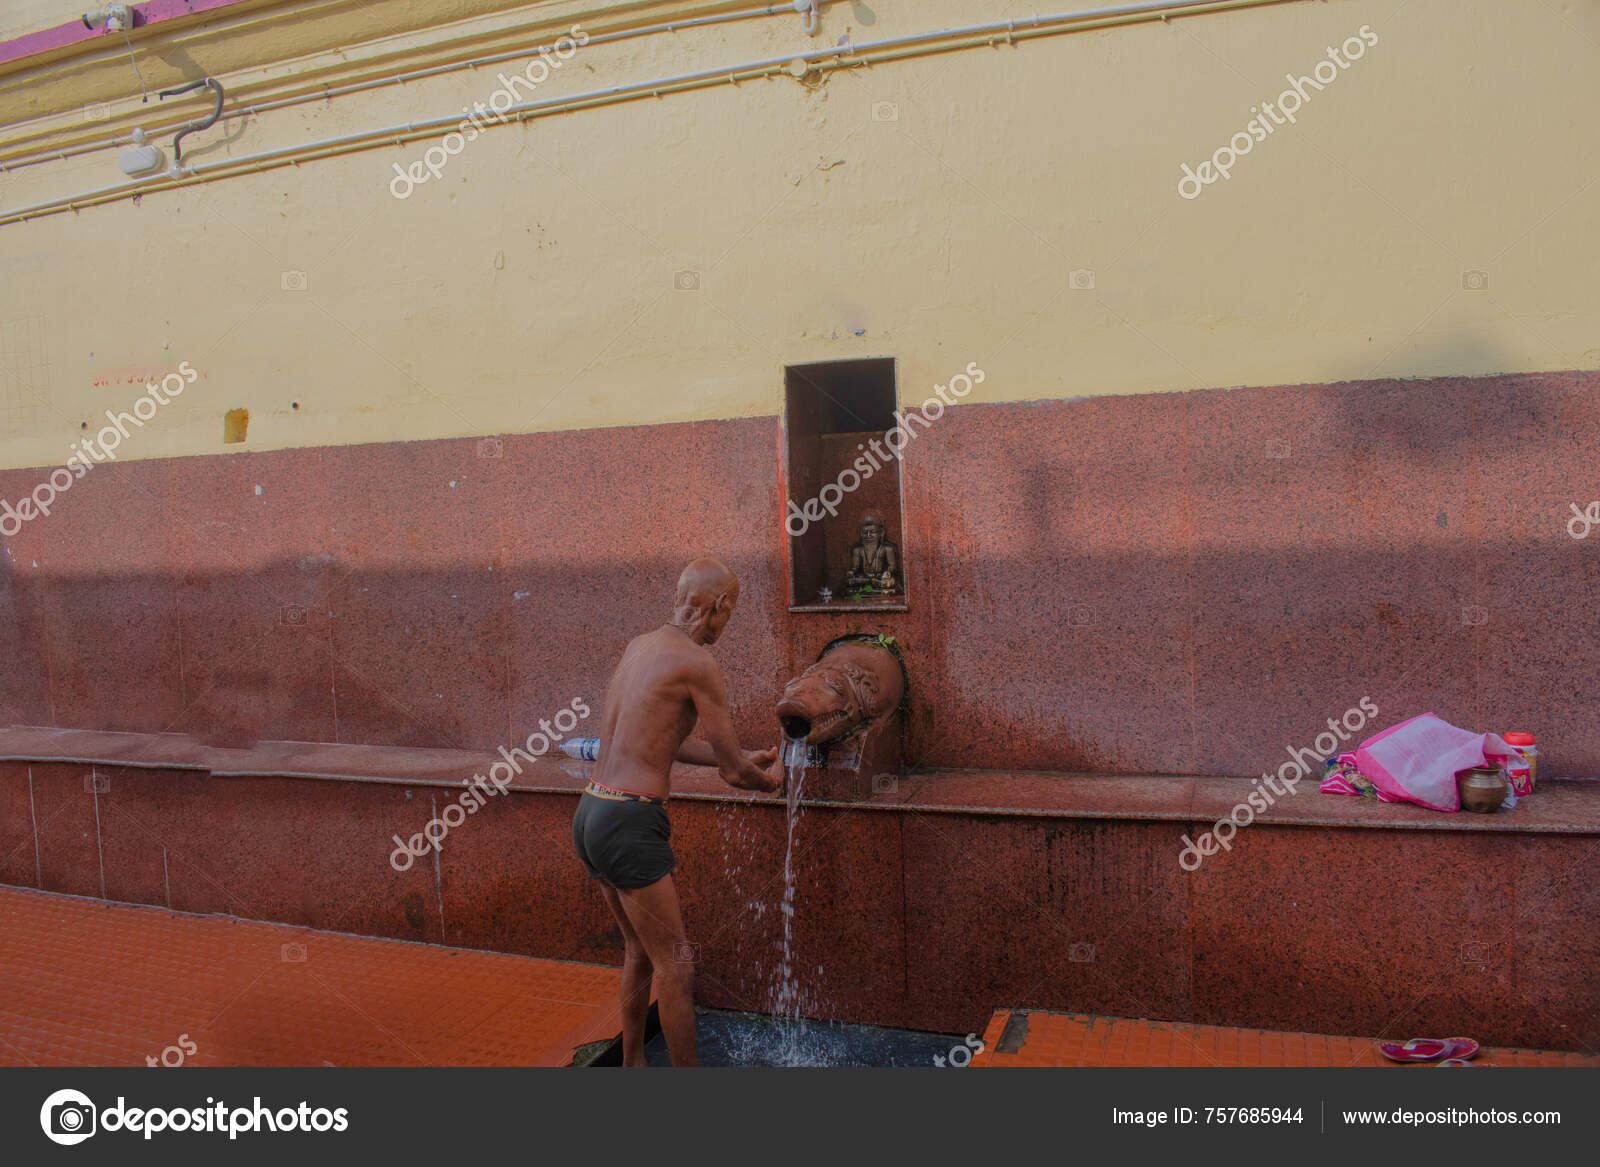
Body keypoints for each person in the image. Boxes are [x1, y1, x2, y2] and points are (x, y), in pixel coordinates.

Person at [572, 557, 782, 1066]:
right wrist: (774, 783)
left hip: (592, 811)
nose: (725, 626)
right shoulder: (697, 662)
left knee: (640, 952)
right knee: (677, 965)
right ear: (718, 605)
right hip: (631, 825)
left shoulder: (640, 646)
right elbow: (735, 775)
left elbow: (664, 741)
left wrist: (739, 757)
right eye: (729, 614)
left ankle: (633, 1067)